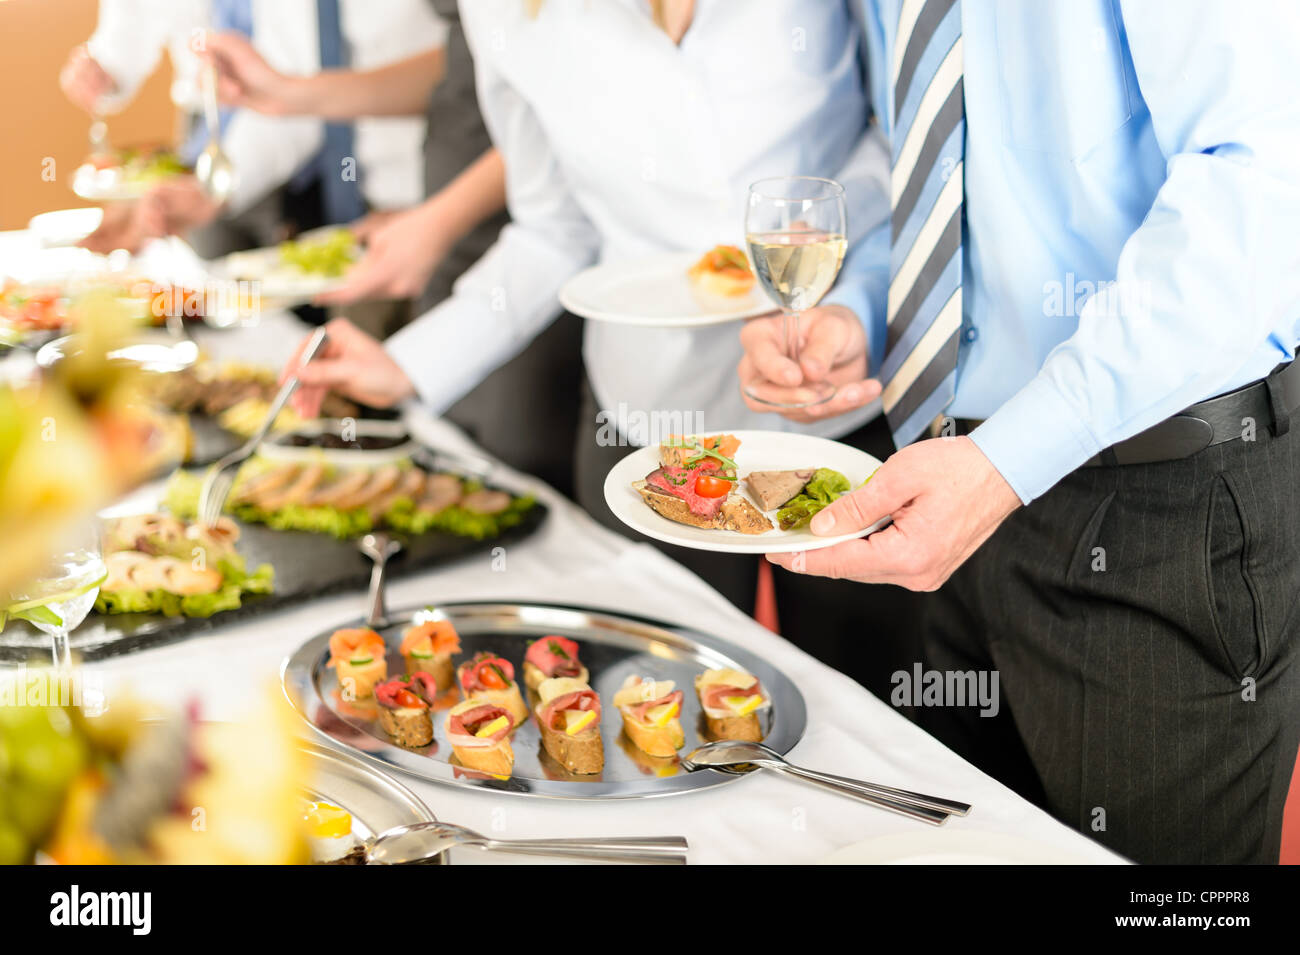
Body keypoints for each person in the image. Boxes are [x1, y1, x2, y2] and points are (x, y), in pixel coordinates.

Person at [741, 0, 1300, 864]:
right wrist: (859, 308)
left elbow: (1260, 185)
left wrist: (1008, 460)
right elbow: (924, 160)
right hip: (953, 478)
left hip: (1158, 505)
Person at [281, 0, 929, 694]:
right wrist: (411, 361)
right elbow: (553, 229)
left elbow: (901, 137)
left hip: (848, 383)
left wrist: (829, 265)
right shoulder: (503, 14)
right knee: (657, 717)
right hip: (649, 420)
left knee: (875, 714)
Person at [205, 2, 585, 498]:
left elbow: (566, 144)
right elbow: (555, 218)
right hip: (475, 237)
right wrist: (412, 364)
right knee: (458, 459)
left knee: (521, 464)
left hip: (491, 231)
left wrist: (439, 218)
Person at [64, 0, 445, 263]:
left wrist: (439, 212)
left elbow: (464, 73)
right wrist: (209, 191)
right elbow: (294, 91)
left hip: (433, 190)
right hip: (234, 134)